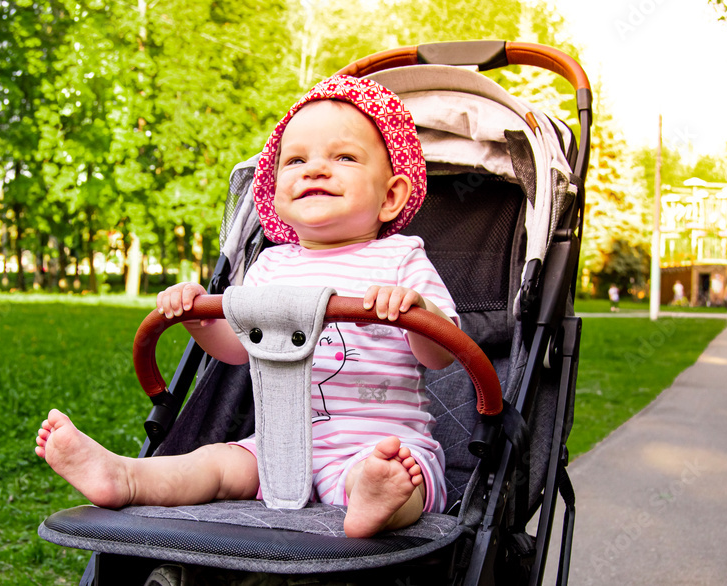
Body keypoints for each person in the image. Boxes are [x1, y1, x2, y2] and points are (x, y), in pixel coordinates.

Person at [34, 76, 459, 538]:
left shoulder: (400, 258)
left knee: (399, 476)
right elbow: (239, 348)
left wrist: (416, 309)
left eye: (344, 157)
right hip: (278, 448)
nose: (315, 169)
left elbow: (441, 352)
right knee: (215, 463)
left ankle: (374, 497)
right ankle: (125, 477)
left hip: (379, 443)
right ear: (274, 194)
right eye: (296, 160)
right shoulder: (272, 265)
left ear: (391, 196)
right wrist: (199, 319)